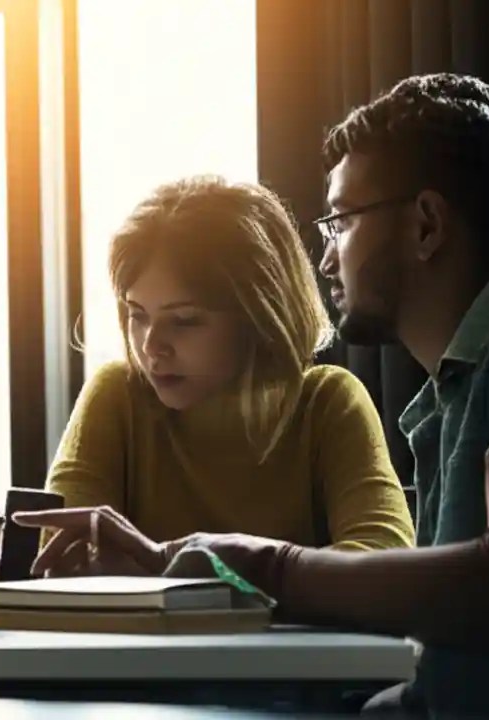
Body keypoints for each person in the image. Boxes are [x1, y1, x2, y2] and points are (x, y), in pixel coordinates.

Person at [17, 74, 489, 717]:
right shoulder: (457, 381)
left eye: (340, 222)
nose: (327, 261)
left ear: (426, 225)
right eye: (137, 315)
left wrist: (252, 566)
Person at [29, 175, 413, 576]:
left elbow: (384, 558)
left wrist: (174, 568)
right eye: (137, 315)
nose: (150, 345)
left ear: (259, 317)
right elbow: (63, 559)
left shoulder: (328, 402)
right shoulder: (116, 397)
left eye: (184, 321)